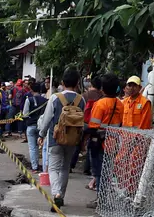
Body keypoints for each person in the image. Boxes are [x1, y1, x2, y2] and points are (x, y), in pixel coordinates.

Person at [36, 68, 85, 207]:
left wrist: (41, 134)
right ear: (77, 83)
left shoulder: (55, 98)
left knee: (53, 168)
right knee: (65, 168)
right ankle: (61, 196)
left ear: (62, 82)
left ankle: (56, 193)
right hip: (72, 140)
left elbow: (47, 119)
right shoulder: (81, 100)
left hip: (55, 138)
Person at [85, 74, 124, 202]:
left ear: (102, 88)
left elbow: (93, 126)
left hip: (99, 143)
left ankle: (100, 200)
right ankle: (103, 199)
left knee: (99, 172)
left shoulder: (100, 104)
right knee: (107, 172)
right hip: (113, 142)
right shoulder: (120, 104)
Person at [78, 75, 103, 176]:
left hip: (83, 122)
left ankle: (70, 164)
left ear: (91, 84)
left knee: (78, 143)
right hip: (94, 124)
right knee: (91, 145)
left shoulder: (85, 95)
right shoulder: (102, 96)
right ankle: (88, 168)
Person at [22, 82, 49, 172]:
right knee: (44, 148)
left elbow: (25, 114)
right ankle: (45, 169)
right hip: (42, 126)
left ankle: (35, 167)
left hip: (31, 125)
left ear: (31, 90)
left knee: (33, 147)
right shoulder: (46, 101)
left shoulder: (29, 100)